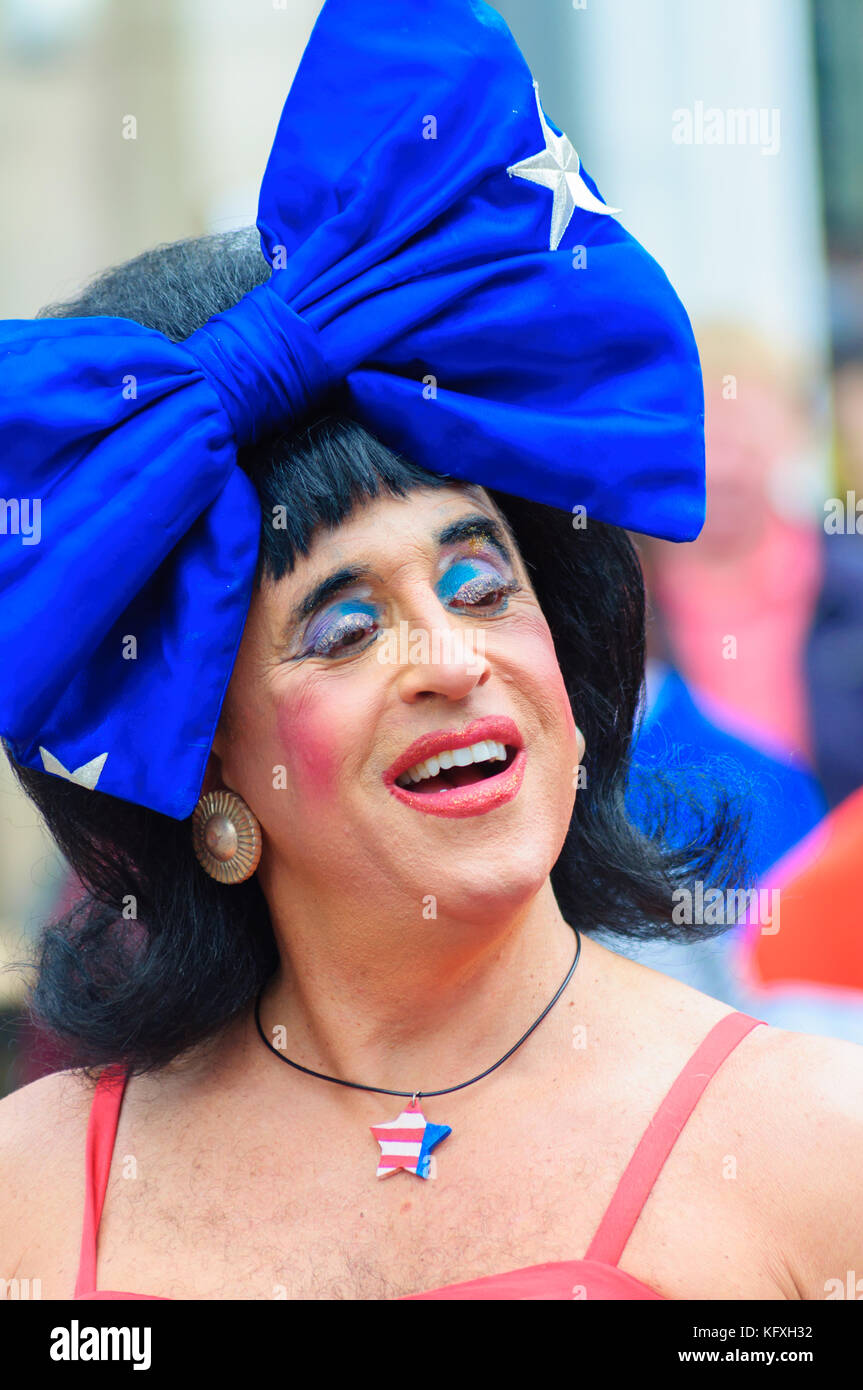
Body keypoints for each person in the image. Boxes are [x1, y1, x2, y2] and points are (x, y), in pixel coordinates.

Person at [1, 0, 861, 1302]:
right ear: (203, 771)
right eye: (342, 627)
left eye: (478, 580)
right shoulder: (29, 1192)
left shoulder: (819, 1145)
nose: (450, 658)